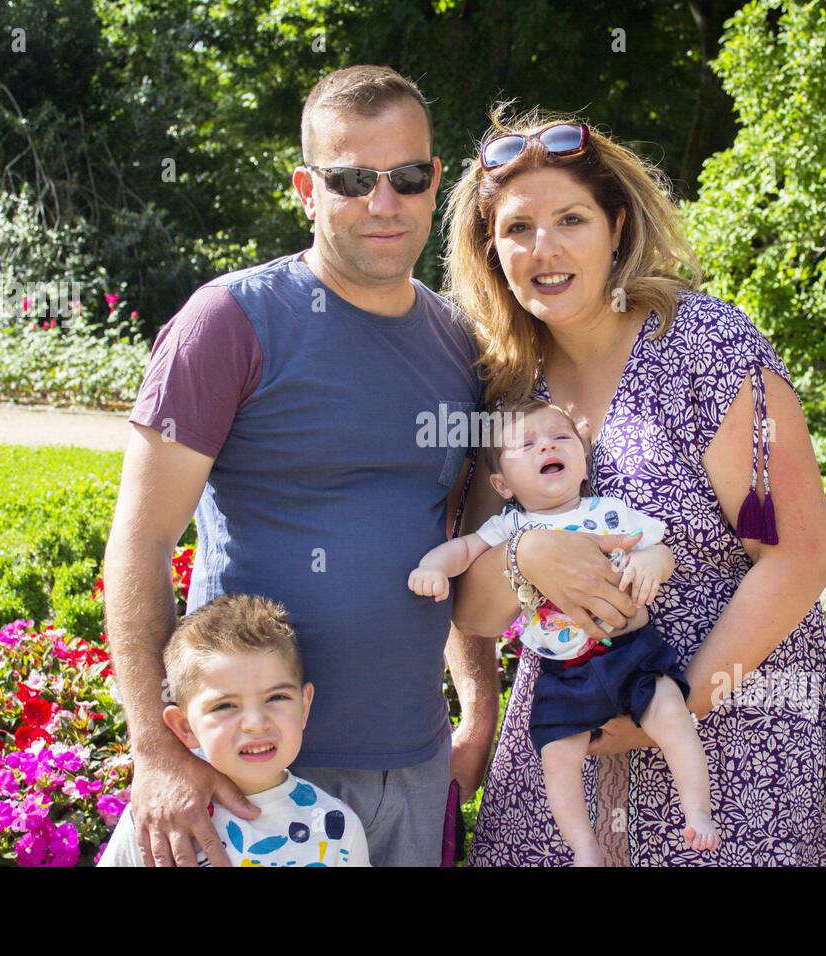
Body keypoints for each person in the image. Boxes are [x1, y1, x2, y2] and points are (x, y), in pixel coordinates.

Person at [443, 104, 826, 865]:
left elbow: (797, 558)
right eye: (517, 228)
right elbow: (477, 608)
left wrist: (673, 706)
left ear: (617, 226)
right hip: (568, 749)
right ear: (491, 250)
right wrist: (526, 561)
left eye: (571, 220)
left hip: (735, 748)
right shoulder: (506, 387)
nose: (543, 248)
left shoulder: (705, 347)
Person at [102, 65, 499, 868]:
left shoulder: (464, 345)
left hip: (413, 771)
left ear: (435, 184)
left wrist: (480, 710)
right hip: (252, 773)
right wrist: (154, 748)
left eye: (407, 176)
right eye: (352, 178)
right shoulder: (231, 322)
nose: (383, 203)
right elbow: (139, 543)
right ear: (306, 190)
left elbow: (461, 536)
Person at [409, 400, 719, 864]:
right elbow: (465, 549)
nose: (547, 446)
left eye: (560, 438)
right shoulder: (511, 525)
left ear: (583, 458)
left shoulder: (608, 513)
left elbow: (658, 548)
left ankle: (697, 811)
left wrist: (651, 564)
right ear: (503, 484)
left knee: (672, 714)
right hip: (563, 670)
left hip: (630, 651)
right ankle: (584, 847)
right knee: (557, 758)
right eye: (527, 444)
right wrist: (434, 564)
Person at [97, 594, 369, 867]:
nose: (255, 722)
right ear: (184, 727)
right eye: (225, 705)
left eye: (276, 698)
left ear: (304, 706)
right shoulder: (157, 817)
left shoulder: (337, 827)